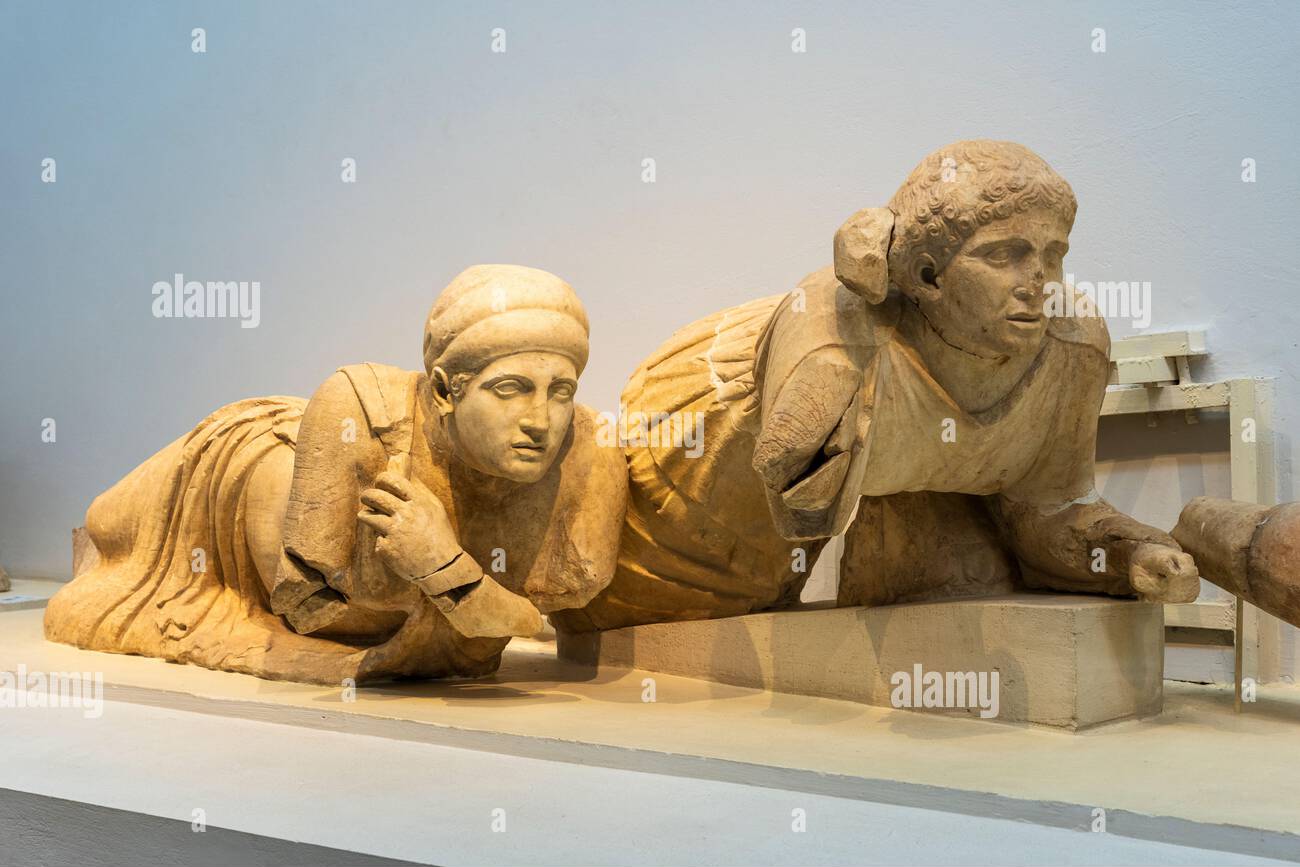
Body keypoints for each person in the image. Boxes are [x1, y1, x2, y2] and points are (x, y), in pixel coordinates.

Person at [555, 140, 1198, 632]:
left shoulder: (1073, 345)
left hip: (894, 495)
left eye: (1052, 254)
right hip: (699, 484)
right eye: (1003, 255)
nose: (1038, 281)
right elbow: (797, 497)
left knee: (965, 579)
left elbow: (1050, 509)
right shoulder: (836, 329)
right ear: (927, 275)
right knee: (633, 617)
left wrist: (1127, 555)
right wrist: (824, 408)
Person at [46, 265, 627, 683]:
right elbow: (307, 608)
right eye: (510, 389)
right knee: (107, 521)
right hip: (235, 471)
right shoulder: (359, 407)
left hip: (314, 474)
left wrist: (440, 563)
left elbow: (526, 625)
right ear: (444, 391)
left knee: (103, 543)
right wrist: (463, 601)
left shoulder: (589, 453)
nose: (540, 421)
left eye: (560, 391)